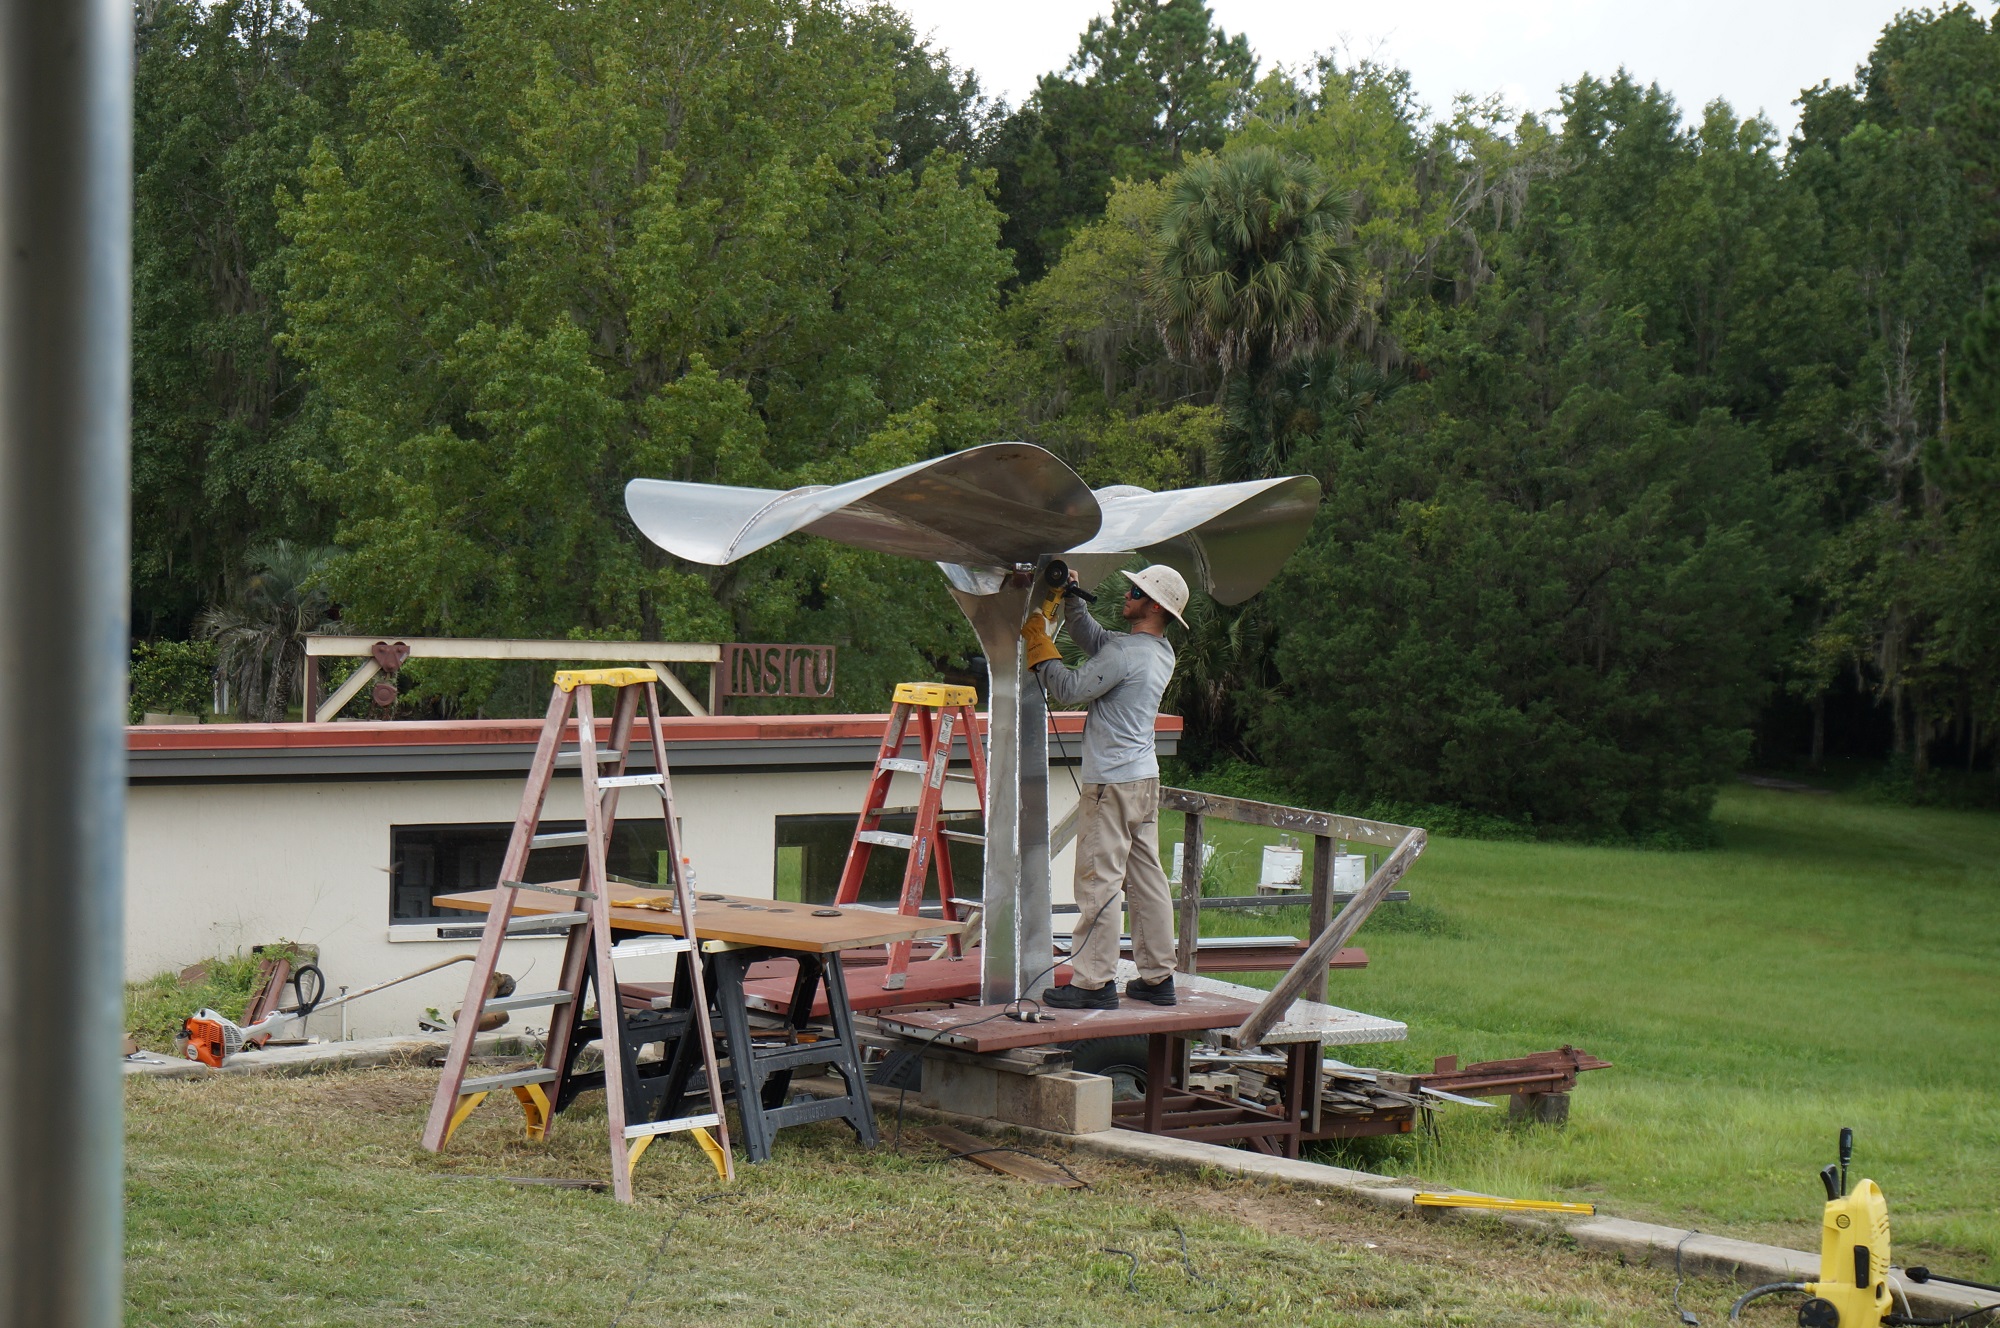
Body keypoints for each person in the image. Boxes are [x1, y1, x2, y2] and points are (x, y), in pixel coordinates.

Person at [1020, 563, 1189, 1009]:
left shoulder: (1125, 655)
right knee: (1147, 879)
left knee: (1099, 881)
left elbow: (1072, 689)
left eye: (1135, 591)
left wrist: (1039, 644)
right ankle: (1157, 978)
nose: (1127, 593)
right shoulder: (1157, 651)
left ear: (1153, 605)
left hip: (1110, 786)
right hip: (1142, 779)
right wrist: (1073, 599)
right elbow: (1097, 641)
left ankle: (1093, 983)